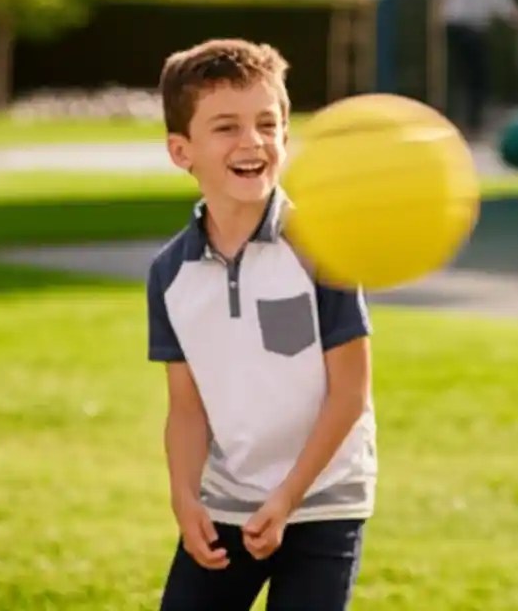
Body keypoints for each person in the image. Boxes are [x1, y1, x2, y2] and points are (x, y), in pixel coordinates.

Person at [147, 38, 375, 611]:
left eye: (267, 124)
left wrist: (288, 496)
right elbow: (186, 407)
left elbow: (350, 393)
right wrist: (184, 499)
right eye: (226, 127)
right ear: (182, 150)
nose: (252, 142)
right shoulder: (170, 274)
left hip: (323, 500)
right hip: (226, 502)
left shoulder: (322, 248)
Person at [433, 0, 518, 137]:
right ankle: (456, 117)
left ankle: (473, 121)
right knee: (461, 72)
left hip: (479, 26)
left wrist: (514, 16)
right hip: (458, 24)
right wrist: (438, 17)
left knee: (478, 75)